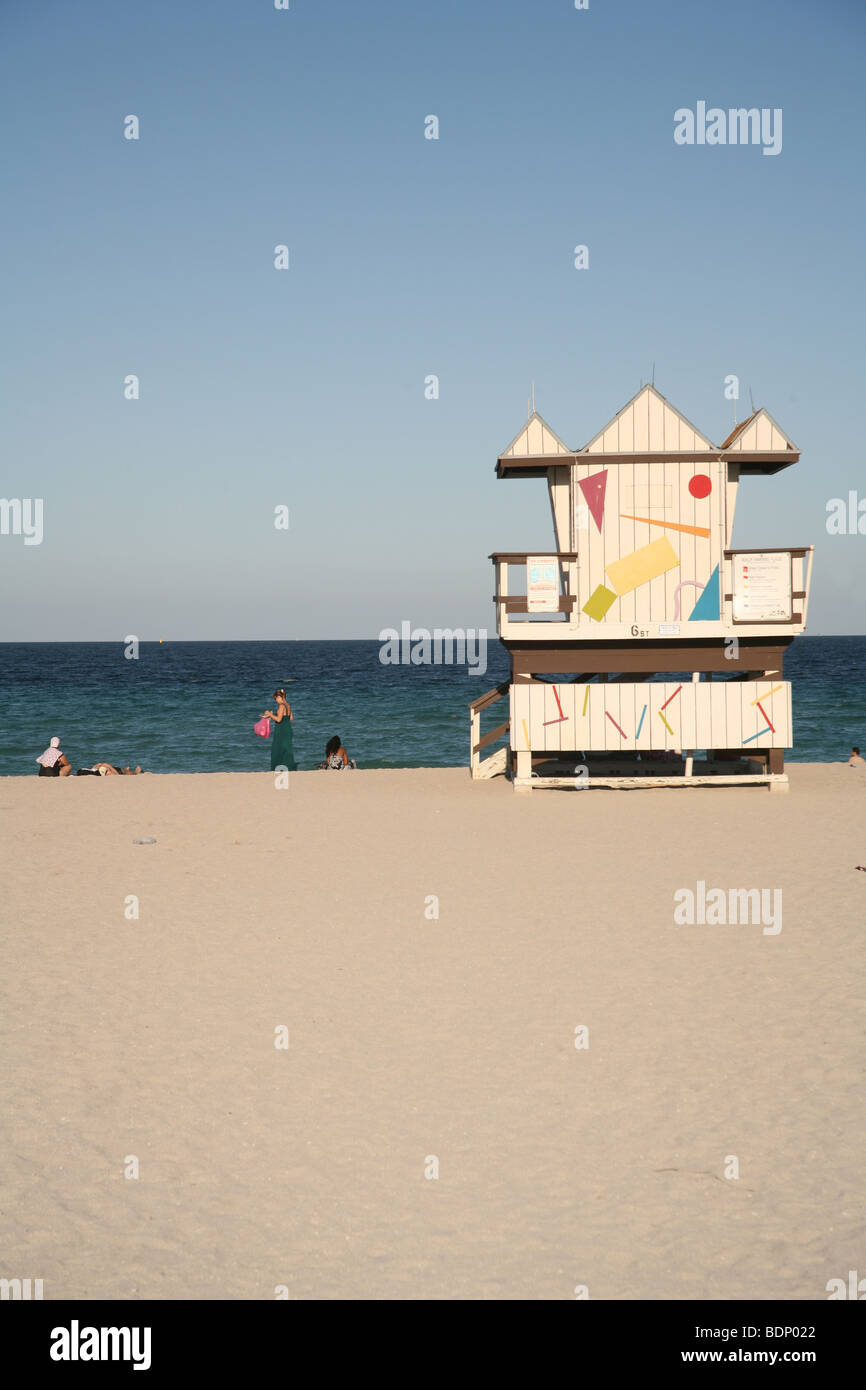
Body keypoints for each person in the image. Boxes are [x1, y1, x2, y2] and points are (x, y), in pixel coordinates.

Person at [261, 688, 297, 771]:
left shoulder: (281, 706)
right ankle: (289, 767)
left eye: (276, 698)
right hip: (287, 729)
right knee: (286, 749)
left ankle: (277, 768)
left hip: (281, 730)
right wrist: (274, 716)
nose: (276, 700)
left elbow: (279, 719)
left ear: (279, 697)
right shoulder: (288, 705)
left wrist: (270, 714)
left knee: (277, 749)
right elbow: (291, 718)